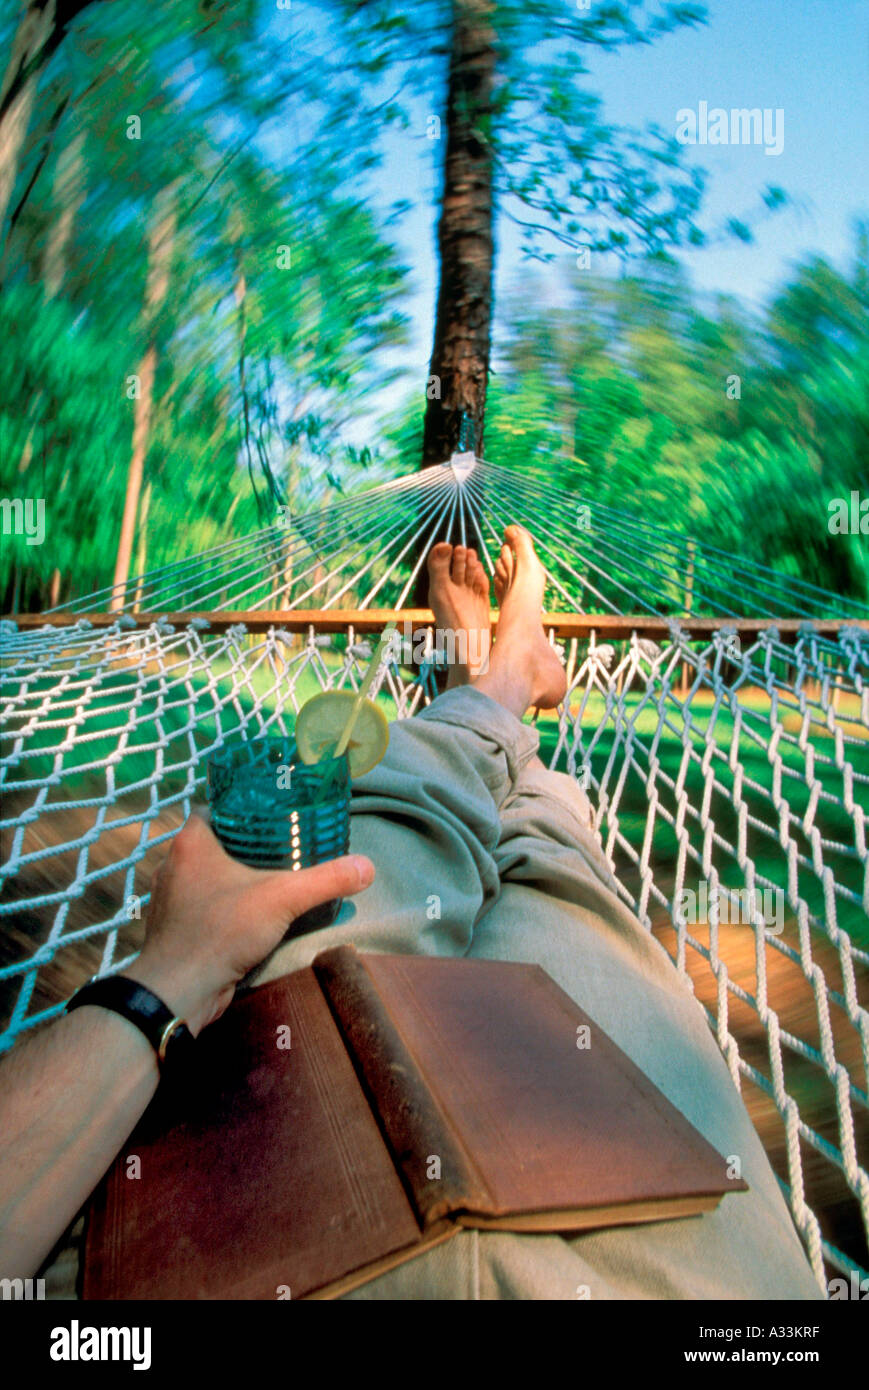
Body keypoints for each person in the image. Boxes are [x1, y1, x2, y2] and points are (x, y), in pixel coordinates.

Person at [0, 527, 822, 1300]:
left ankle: (488, 689)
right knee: (549, 869)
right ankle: (497, 687)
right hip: (688, 1268)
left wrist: (171, 975)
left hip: (244, 1215)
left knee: (389, 879)